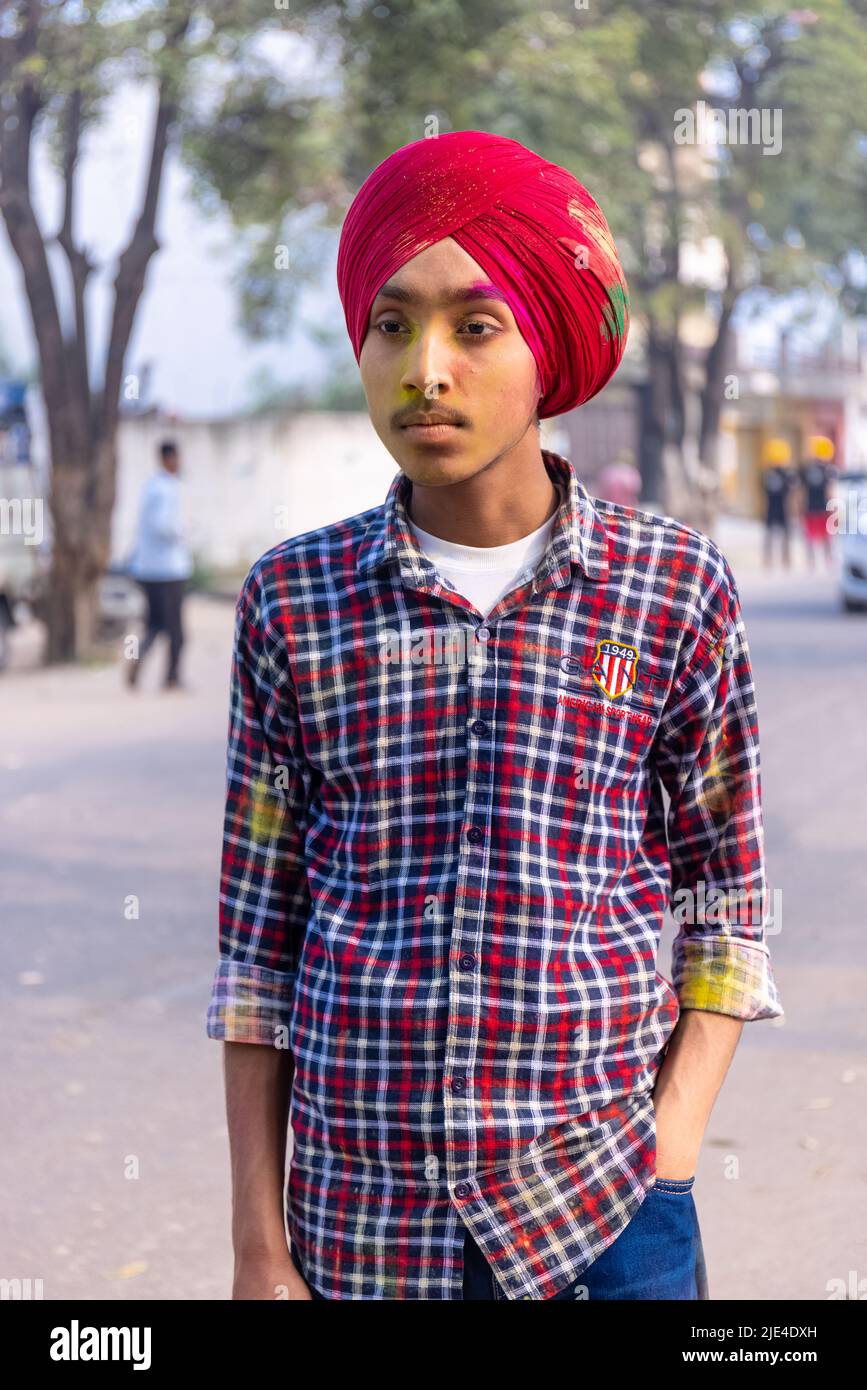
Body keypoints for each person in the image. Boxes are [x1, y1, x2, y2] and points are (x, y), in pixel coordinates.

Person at [206, 130, 784, 1302]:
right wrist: (256, 1243)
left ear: (548, 352)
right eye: (392, 325)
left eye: (476, 327)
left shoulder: (673, 590)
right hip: (360, 1228)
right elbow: (257, 942)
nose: (426, 369)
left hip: (606, 1212)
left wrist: (673, 1141)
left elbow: (727, 899)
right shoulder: (294, 600)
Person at [125, 439, 192, 690]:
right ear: (168, 458)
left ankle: (139, 657)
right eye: (176, 457)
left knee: (154, 624)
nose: (179, 462)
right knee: (176, 631)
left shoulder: (151, 486)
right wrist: (185, 531)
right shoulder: (166, 489)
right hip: (168, 570)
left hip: (148, 568)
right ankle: (172, 678)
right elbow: (164, 525)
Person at [798, 434, 836, 569]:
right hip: (824, 507)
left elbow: (801, 490)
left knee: (810, 536)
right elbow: (830, 490)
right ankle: (829, 560)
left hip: (810, 506)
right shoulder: (828, 469)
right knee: (826, 536)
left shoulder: (806, 468)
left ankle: (811, 561)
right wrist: (834, 508)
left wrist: (800, 506)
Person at [759, 437, 796, 569]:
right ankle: (780, 561)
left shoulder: (768, 473)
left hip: (777, 508)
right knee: (776, 536)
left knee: (778, 536)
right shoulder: (784, 473)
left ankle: (777, 560)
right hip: (778, 508)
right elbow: (792, 491)